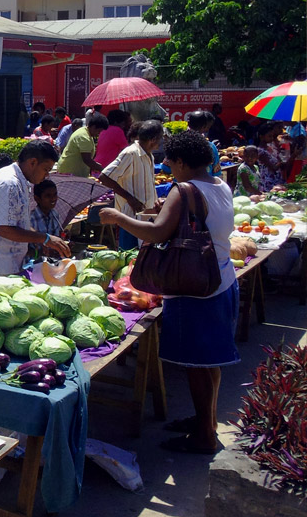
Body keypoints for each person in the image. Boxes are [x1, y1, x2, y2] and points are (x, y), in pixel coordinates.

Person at [99, 130, 238, 455]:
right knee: (209, 363)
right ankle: (206, 420)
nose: (166, 165)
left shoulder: (184, 189)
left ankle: (204, 436)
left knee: (196, 365)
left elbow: (158, 231)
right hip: (220, 280)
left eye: (170, 160)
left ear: (181, 161)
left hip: (195, 290)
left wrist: (119, 217)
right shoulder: (220, 185)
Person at [0, 140, 71, 283]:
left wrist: (42, 240)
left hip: (9, 264)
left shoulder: (20, 180)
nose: (47, 175)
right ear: (33, 162)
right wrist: (45, 238)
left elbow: (18, 222)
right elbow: (4, 229)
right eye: (46, 169)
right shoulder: (10, 183)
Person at [98, 120, 163, 249]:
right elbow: (104, 177)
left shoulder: (148, 154)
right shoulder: (131, 153)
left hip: (145, 217)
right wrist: (130, 199)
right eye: (160, 138)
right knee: (129, 256)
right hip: (130, 217)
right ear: (153, 139)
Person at [27, 179, 62, 262]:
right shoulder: (31, 218)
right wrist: (40, 252)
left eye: (55, 195)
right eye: (48, 196)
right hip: (35, 263)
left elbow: (55, 237)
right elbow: (26, 248)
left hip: (52, 261)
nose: (53, 199)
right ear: (37, 198)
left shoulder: (55, 215)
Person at [187, 110, 222, 177]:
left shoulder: (177, 144)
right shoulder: (210, 147)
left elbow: (166, 168)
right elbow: (217, 173)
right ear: (204, 127)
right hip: (205, 184)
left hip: (182, 185)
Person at [255, 122, 286, 192]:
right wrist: (282, 162)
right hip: (269, 180)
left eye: (272, 136)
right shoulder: (261, 151)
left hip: (276, 178)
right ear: (261, 136)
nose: (272, 138)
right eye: (269, 136)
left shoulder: (269, 147)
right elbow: (273, 168)